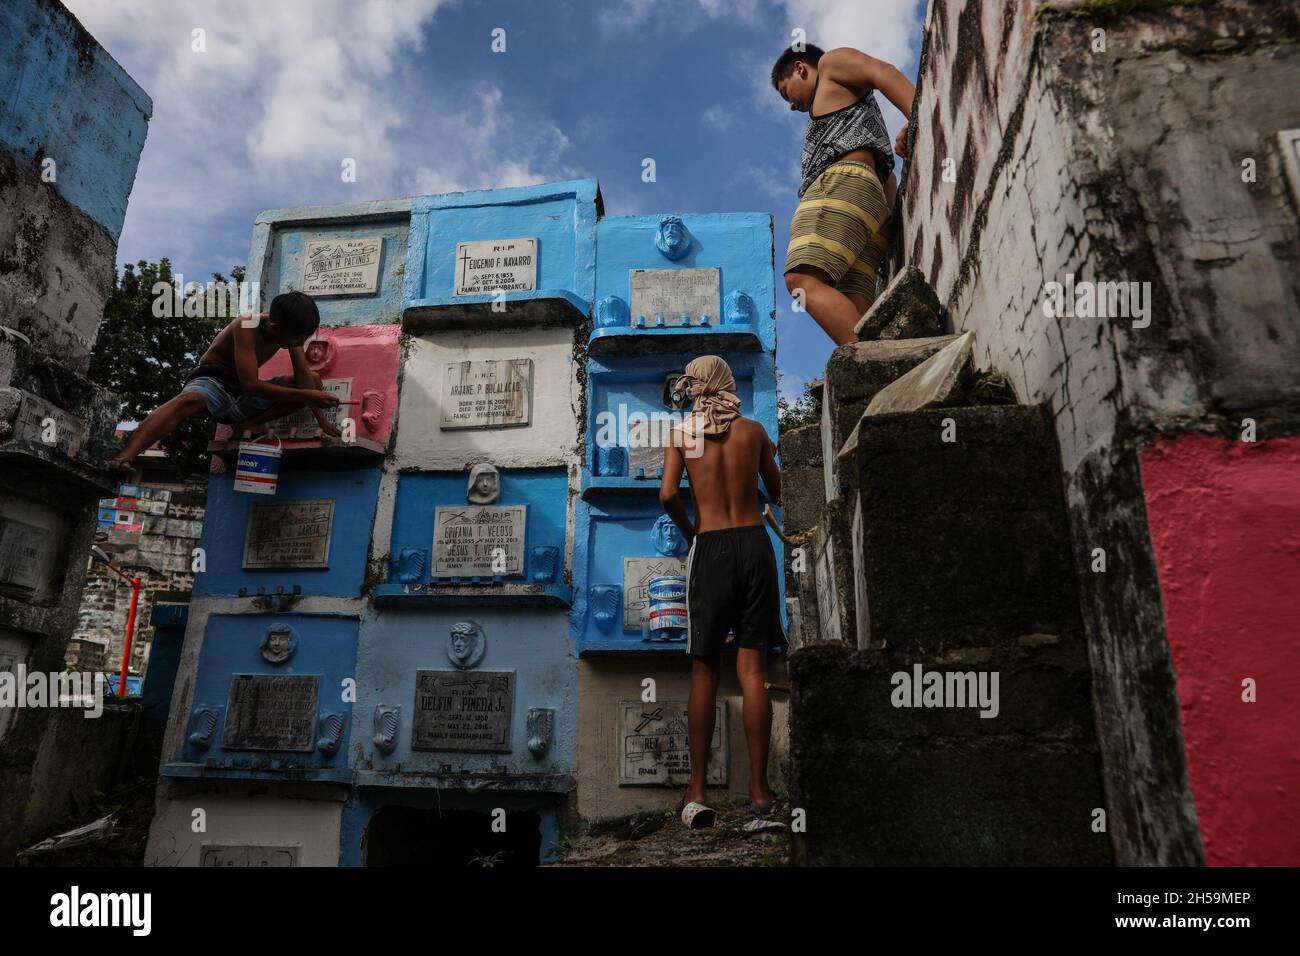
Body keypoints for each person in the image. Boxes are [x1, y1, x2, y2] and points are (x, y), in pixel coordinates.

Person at [659, 355, 785, 829]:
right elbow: (776, 491)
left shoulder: (682, 435)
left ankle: (696, 792)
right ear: (727, 383)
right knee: (752, 669)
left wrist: (692, 532)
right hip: (754, 546)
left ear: (696, 385)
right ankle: (759, 793)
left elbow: (668, 495)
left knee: (705, 671)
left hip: (709, 547)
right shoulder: (753, 432)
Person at [773, 43, 917, 345]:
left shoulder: (829, 64)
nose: (790, 105)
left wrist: (917, 117)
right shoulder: (841, 103)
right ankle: (877, 365)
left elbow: (881, 72)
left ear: (800, 69)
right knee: (856, 299)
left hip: (842, 184)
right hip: (871, 202)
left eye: (786, 93)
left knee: (802, 280)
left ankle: (872, 364)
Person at [105, 291, 341, 471]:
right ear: (274, 326)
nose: (299, 342)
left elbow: (304, 383)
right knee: (190, 399)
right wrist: (309, 396)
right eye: (297, 338)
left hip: (241, 394)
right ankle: (125, 455)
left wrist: (321, 419)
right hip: (213, 381)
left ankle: (247, 425)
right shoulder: (246, 325)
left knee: (314, 379)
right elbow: (252, 384)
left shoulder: (292, 336)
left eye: (303, 338)